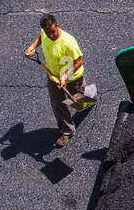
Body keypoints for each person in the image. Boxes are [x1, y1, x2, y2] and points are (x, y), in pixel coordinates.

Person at [25, 14, 91, 147]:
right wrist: (32, 47)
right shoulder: (45, 33)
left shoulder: (68, 42)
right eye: (47, 32)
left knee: (78, 101)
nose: (50, 35)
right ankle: (67, 131)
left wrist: (65, 76)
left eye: (52, 32)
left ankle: (91, 96)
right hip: (53, 76)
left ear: (57, 26)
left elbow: (78, 61)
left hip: (72, 77)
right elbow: (40, 37)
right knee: (57, 103)